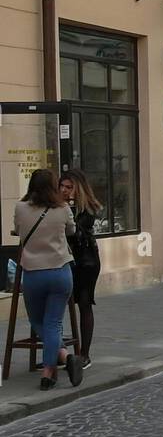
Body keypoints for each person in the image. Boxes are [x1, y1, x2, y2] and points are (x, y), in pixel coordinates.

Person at [13, 169, 83, 391]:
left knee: (37, 321)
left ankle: (60, 360)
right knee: (54, 323)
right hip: (60, 272)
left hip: (33, 273)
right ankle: (51, 369)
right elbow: (72, 230)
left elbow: (18, 230)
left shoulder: (21, 208)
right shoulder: (62, 209)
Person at [59, 168, 101, 369]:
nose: (64, 190)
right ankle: (58, 352)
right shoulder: (58, 207)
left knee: (84, 303)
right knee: (56, 306)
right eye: (62, 186)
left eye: (69, 187)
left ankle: (84, 354)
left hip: (85, 261)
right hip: (64, 260)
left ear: (78, 189)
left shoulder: (87, 209)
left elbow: (75, 231)